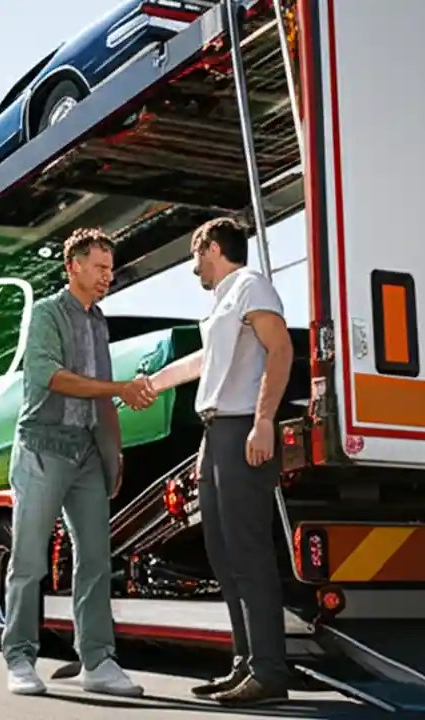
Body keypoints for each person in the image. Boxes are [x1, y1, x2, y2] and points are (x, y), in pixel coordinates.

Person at [146, 216, 294, 706]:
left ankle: (269, 672)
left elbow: (281, 350)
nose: (193, 270)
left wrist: (263, 421)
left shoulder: (251, 287)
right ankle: (243, 664)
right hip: (216, 432)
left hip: (241, 427)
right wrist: (150, 385)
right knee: (222, 554)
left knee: (248, 553)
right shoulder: (223, 301)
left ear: (210, 247)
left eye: (194, 257)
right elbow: (201, 365)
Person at [2, 227, 153, 697]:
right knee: (28, 561)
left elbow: (103, 393)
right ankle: (21, 659)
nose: (109, 275)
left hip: (88, 453)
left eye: (111, 268)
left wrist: (114, 451)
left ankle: (98, 662)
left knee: (95, 560)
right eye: (100, 267)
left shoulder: (99, 322)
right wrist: (119, 389)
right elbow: (51, 377)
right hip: (42, 450)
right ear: (74, 266)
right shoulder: (47, 314)